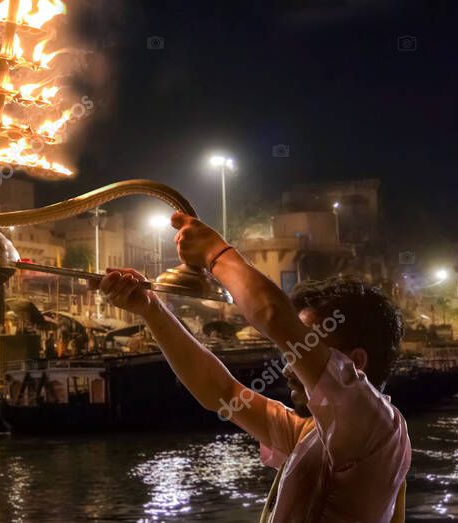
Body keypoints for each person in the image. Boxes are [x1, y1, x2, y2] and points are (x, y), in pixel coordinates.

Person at [100, 212, 410, 522]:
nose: (289, 367)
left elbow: (273, 317)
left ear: (355, 363)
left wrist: (215, 253)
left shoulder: (378, 429)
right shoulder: (311, 433)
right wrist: (151, 309)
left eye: (302, 350)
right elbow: (222, 391)